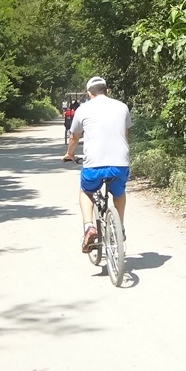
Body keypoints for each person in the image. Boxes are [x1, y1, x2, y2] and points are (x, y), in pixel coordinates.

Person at [62, 77, 130, 253]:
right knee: (119, 192)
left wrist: (70, 154)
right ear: (107, 90)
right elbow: (125, 134)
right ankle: (120, 227)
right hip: (120, 163)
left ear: (89, 93)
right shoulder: (122, 107)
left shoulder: (83, 109)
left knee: (86, 191)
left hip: (94, 165)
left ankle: (89, 227)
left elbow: (74, 137)